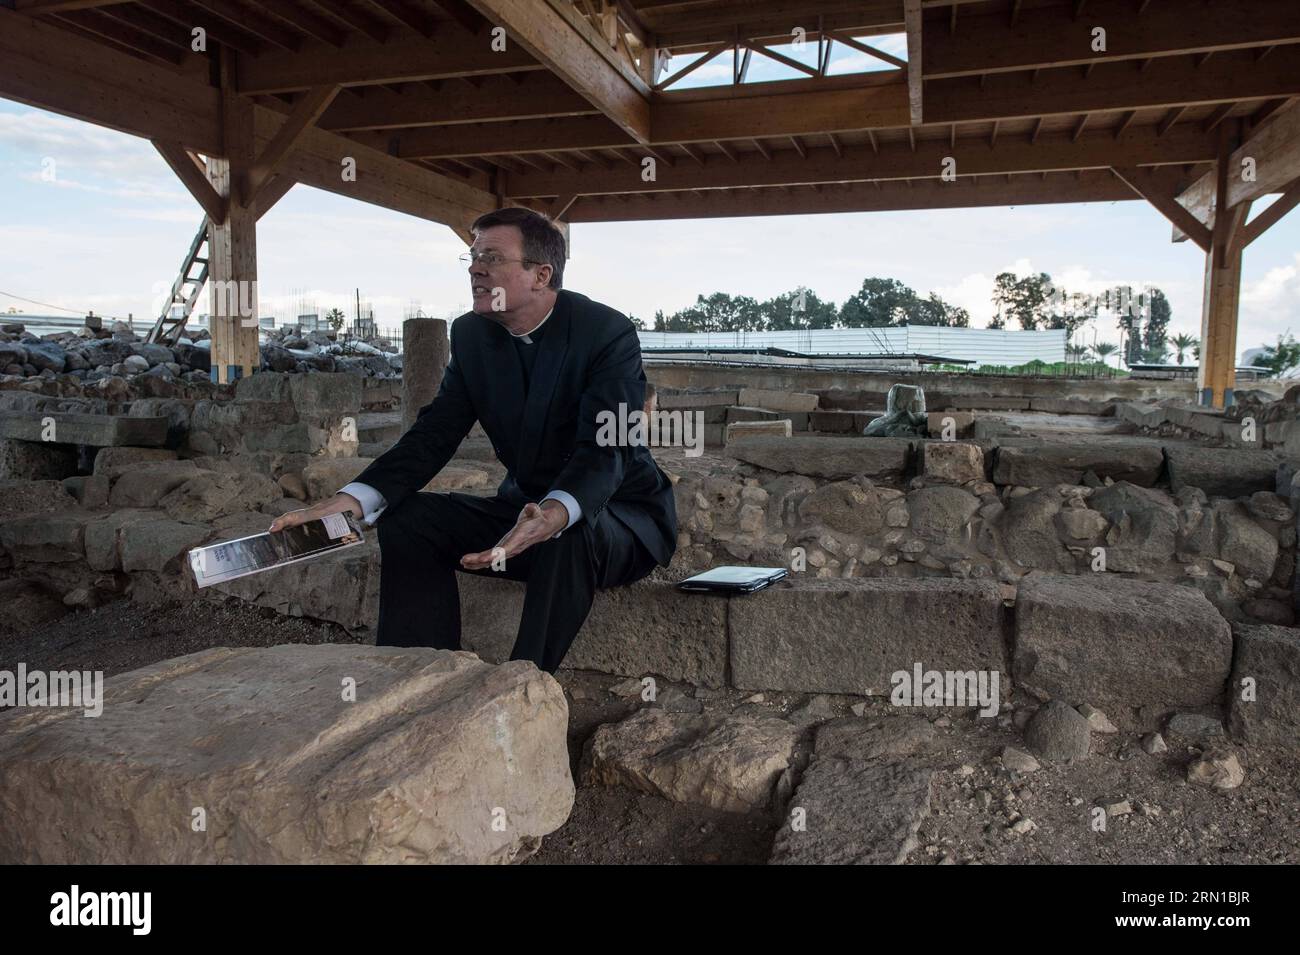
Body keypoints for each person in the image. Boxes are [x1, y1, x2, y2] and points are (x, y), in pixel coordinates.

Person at [269, 207, 677, 673]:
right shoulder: (470, 334)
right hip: (518, 514)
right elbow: (434, 433)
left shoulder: (607, 333)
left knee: (569, 531)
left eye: (491, 256)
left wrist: (555, 513)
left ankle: (522, 686)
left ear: (541, 274)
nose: (476, 268)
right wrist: (352, 500)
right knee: (409, 517)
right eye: (472, 256)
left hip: (618, 517)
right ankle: (416, 674)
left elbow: (609, 447)